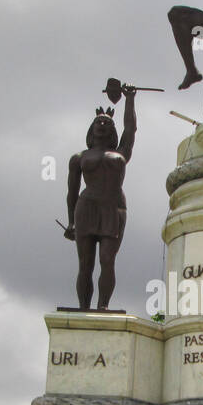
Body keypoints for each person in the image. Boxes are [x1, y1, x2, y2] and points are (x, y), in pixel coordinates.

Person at [65, 86, 136, 309]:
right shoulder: (79, 157)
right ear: (92, 129)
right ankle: (83, 308)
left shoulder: (122, 152)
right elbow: (72, 192)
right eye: (99, 122)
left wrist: (130, 100)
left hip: (113, 208)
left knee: (107, 259)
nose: (103, 125)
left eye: (108, 123)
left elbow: (131, 128)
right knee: (85, 263)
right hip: (86, 207)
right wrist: (71, 222)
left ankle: (103, 306)